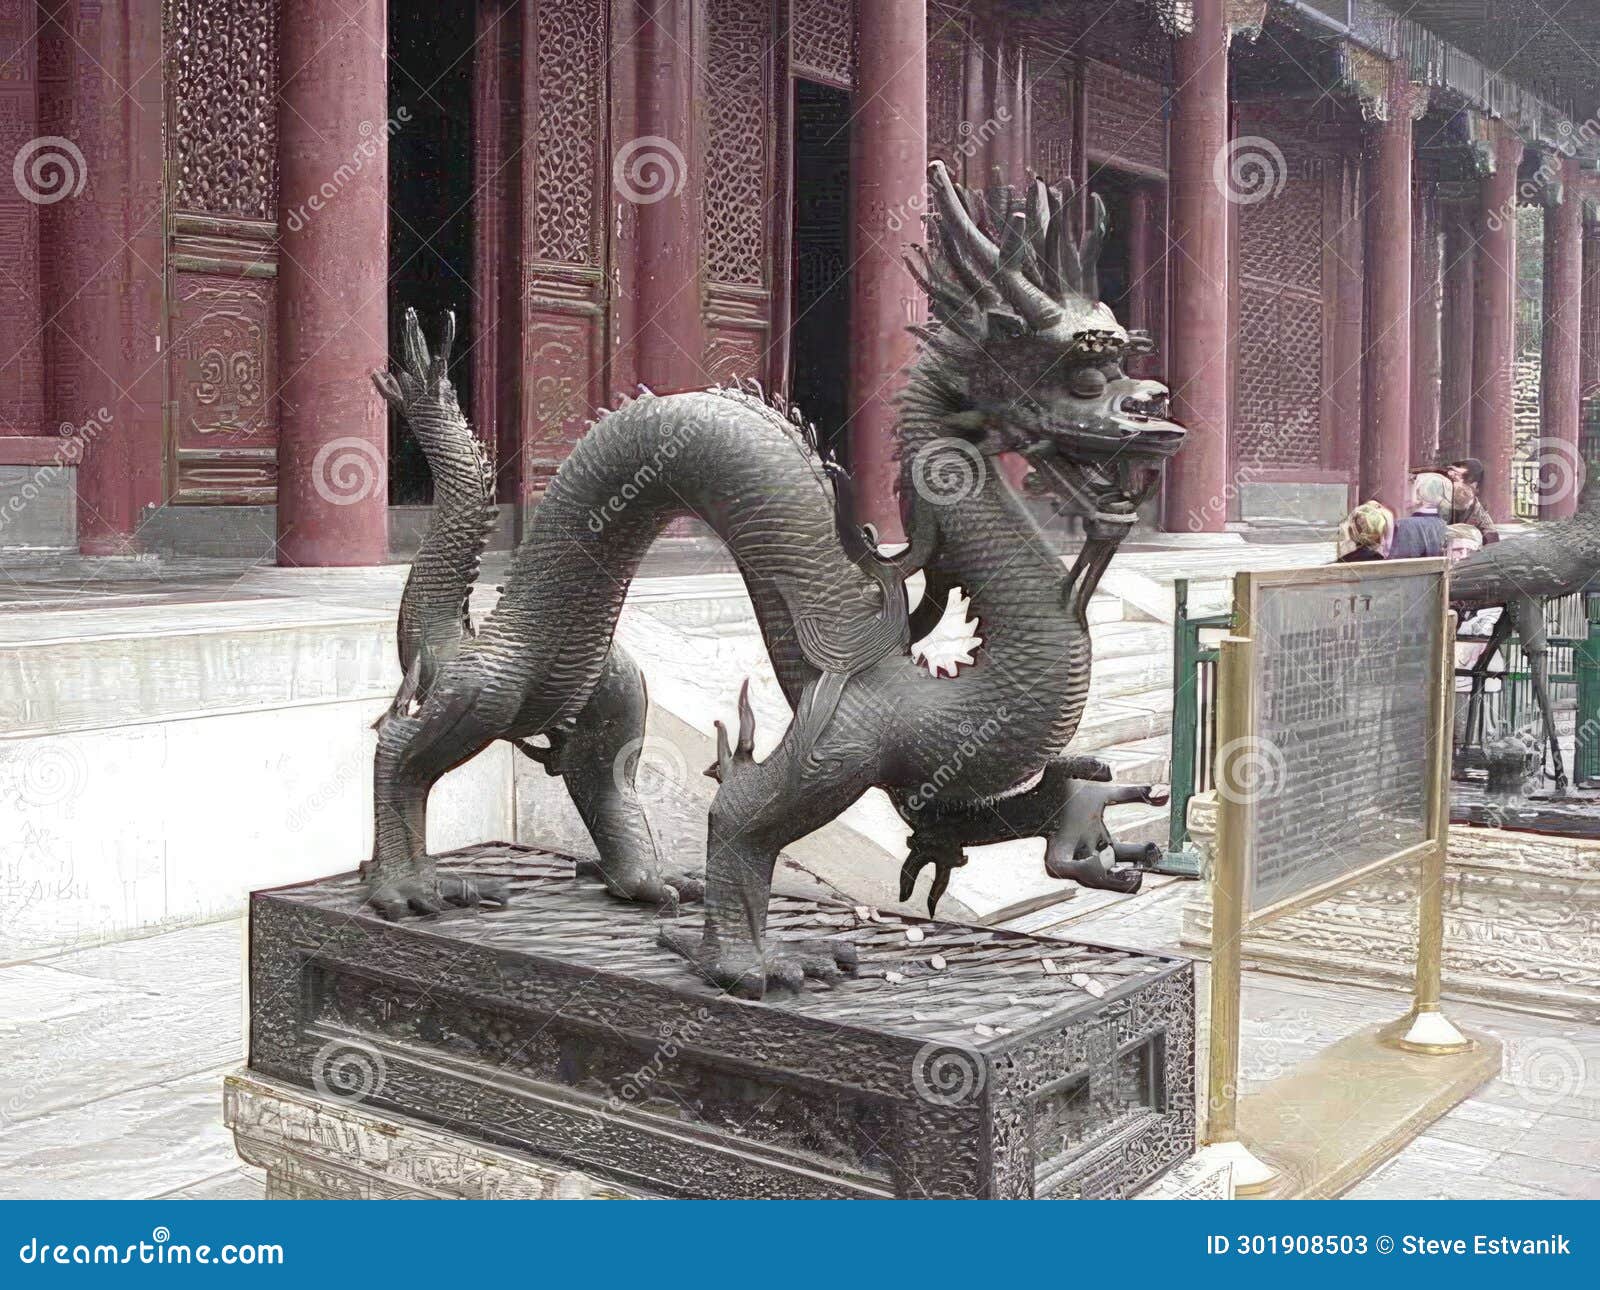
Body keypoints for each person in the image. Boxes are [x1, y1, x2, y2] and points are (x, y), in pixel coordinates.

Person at [1390, 472, 1451, 558]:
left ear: (1419, 495)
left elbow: (1395, 565)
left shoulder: (1402, 526)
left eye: (1411, 487)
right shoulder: (1446, 526)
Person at [1445, 458, 1499, 544]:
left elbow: (1491, 534)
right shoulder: (1441, 496)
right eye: (1454, 478)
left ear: (1474, 484)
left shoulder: (1475, 507)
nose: (1457, 484)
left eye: (1465, 478)